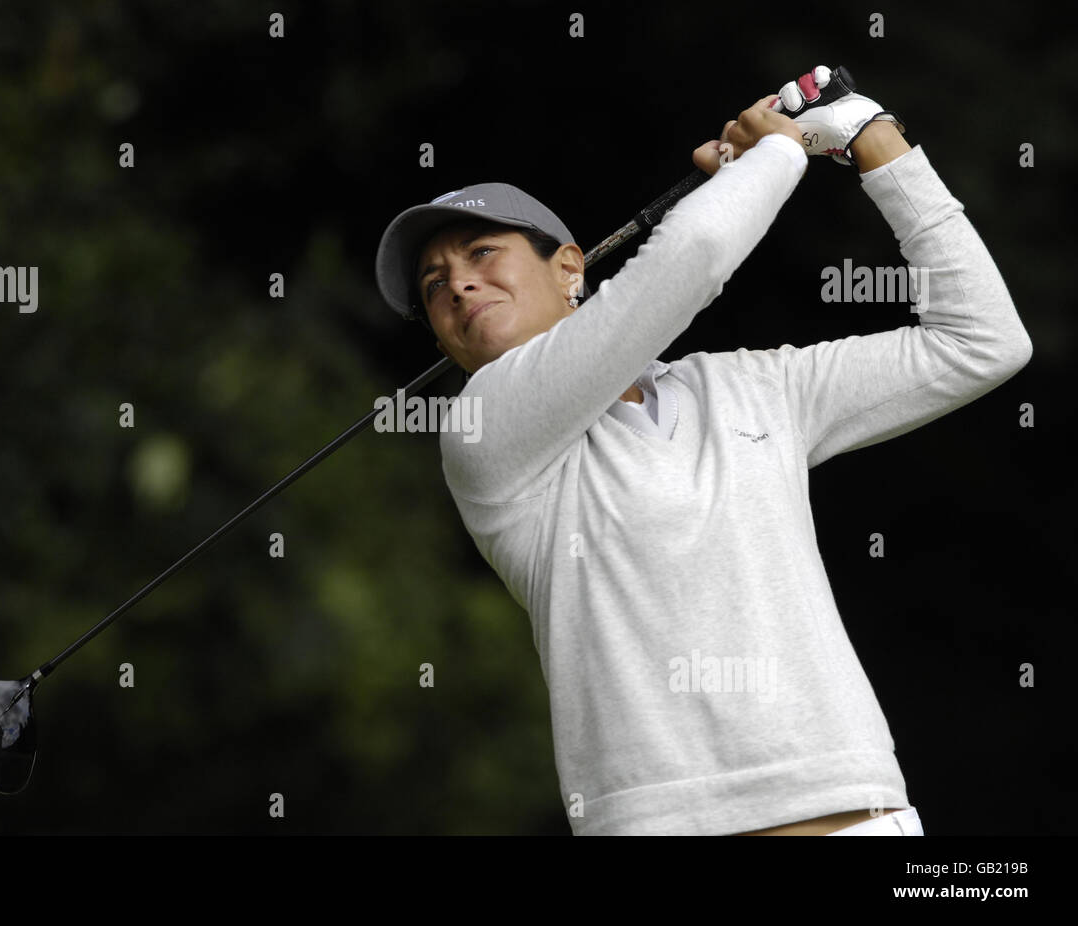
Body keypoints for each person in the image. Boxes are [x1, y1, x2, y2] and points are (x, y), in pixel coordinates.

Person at [374, 67, 1032, 835]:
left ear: (570, 267)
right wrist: (777, 156)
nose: (456, 285)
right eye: (432, 284)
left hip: (864, 817)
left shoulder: (750, 388)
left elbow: (981, 342)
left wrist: (873, 142)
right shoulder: (483, 430)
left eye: (481, 253)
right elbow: (690, 261)